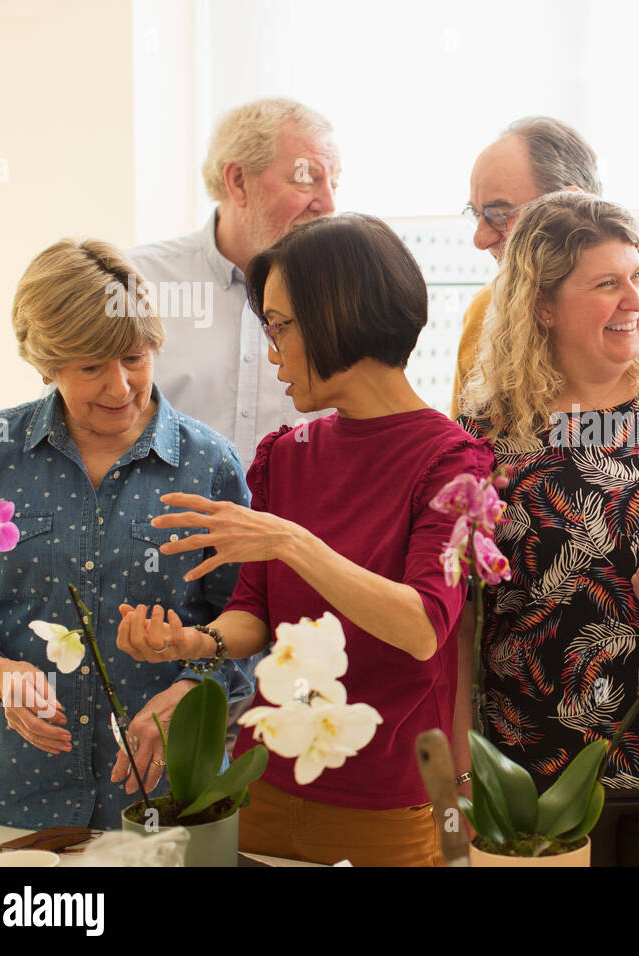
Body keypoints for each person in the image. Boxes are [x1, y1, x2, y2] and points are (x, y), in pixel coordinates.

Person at [117, 214, 495, 866]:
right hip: (262, 791)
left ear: (340, 315)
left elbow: (424, 626)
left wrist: (292, 542)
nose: (272, 350)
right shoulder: (285, 456)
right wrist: (193, 643)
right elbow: (255, 615)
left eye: (281, 326)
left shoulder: (454, 464)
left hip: (386, 804)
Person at [456, 191, 639, 867]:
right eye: (607, 284)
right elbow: (461, 616)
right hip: (533, 782)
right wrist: (462, 763)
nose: (636, 300)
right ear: (543, 304)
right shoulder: (487, 434)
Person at [0, 239, 250, 830]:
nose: (119, 388)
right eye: (91, 367)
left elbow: (248, 618)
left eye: (135, 359)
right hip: (11, 797)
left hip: (168, 802)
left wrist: (190, 692)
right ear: (45, 363)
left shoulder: (210, 465)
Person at [452, 116, 639, 415]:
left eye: (498, 213)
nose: (480, 239)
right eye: (476, 213)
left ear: (570, 202)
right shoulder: (485, 311)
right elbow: (465, 448)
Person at [129, 97, 341, 467]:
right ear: (238, 181)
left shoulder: (344, 296)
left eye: (334, 183)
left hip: (297, 527)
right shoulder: (135, 284)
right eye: (307, 180)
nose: (327, 203)